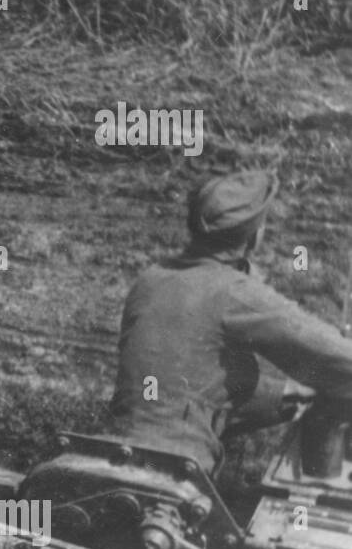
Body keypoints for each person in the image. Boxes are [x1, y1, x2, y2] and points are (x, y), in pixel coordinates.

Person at [108, 170, 352, 478]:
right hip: (174, 467)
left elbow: (188, 381)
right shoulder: (234, 292)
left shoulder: (150, 280)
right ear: (253, 236)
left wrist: (284, 393)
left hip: (114, 449)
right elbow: (330, 356)